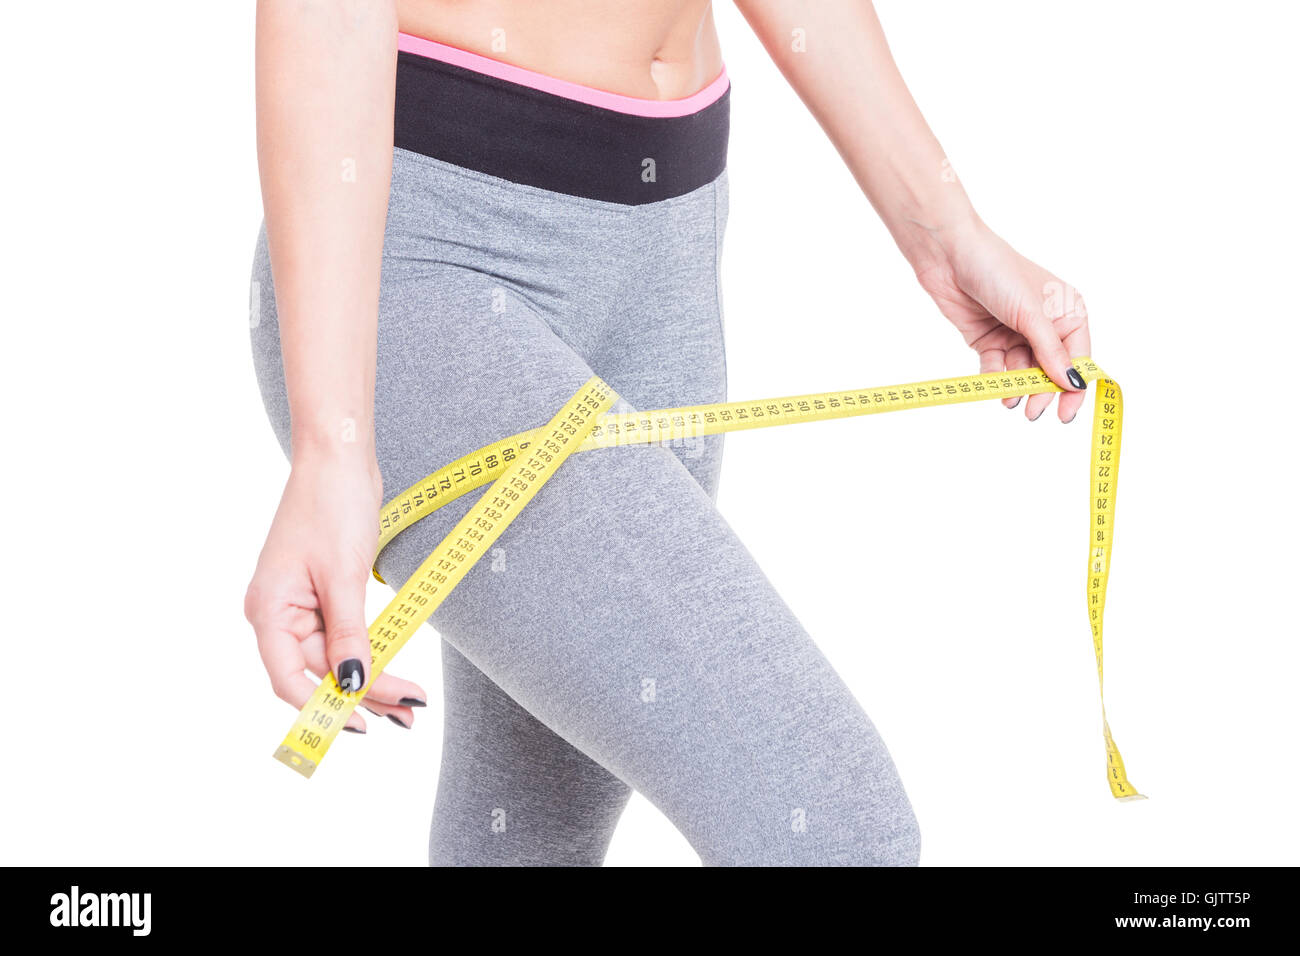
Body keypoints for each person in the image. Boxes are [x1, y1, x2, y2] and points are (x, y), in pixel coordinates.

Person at [245, 0, 1092, 867]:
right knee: (834, 831)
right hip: (430, 261)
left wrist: (948, 237)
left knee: (530, 837)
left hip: (669, 238)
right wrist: (331, 445)